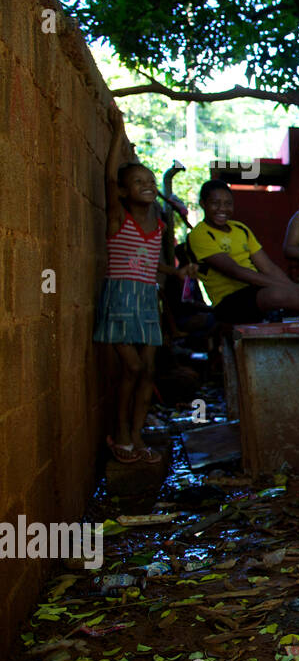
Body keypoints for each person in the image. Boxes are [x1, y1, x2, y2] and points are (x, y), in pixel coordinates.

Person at [94, 112, 197, 464]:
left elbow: (150, 264)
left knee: (148, 371)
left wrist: (177, 272)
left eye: (150, 180)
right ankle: (120, 433)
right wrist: (118, 132)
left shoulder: (158, 226)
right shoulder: (117, 217)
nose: (148, 185)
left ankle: (136, 438)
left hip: (146, 300)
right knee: (133, 369)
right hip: (120, 298)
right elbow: (109, 177)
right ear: (124, 191)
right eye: (138, 181)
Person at [188, 180, 299, 324]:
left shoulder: (240, 228)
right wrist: (282, 287)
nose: (222, 209)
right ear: (203, 204)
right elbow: (235, 271)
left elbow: (268, 267)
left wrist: (294, 289)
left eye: (228, 204)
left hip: (255, 291)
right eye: (215, 203)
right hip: (227, 302)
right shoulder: (199, 234)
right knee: (277, 294)